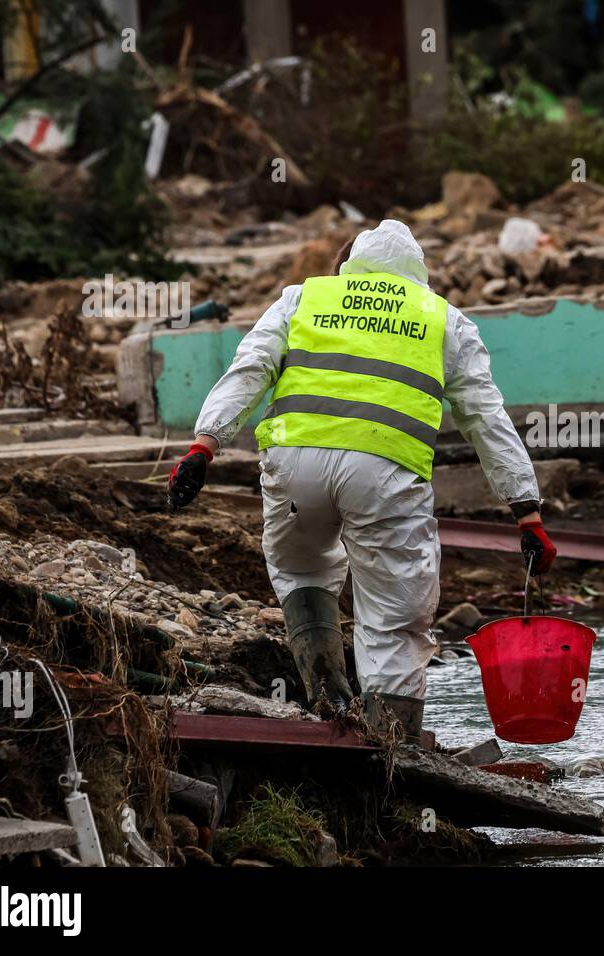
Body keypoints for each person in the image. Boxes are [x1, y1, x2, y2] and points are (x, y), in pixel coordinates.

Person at [166, 220, 556, 738]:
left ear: (351, 264)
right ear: (417, 272)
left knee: (301, 569)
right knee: (394, 616)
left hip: (294, 467)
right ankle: (388, 748)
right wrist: (525, 509)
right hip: (385, 476)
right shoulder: (443, 319)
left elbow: (251, 367)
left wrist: (204, 445)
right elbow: (485, 418)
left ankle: (329, 708)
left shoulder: (303, 298)